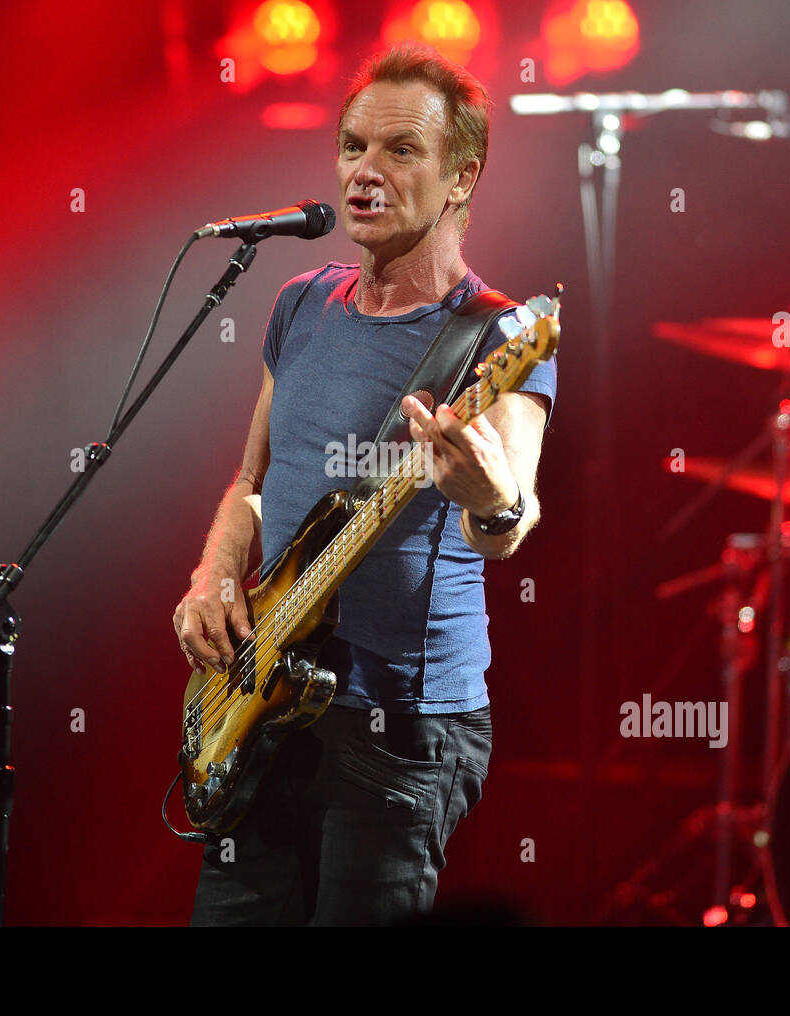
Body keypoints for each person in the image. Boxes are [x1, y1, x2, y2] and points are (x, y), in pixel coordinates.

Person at [174, 42, 557, 926]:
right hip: (265, 698)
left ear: (461, 179)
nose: (364, 172)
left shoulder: (498, 337)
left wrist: (486, 494)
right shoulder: (302, 300)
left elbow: (508, 522)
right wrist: (214, 576)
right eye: (352, 147)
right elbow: (252, 483)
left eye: (399, 151)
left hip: (401, 726)